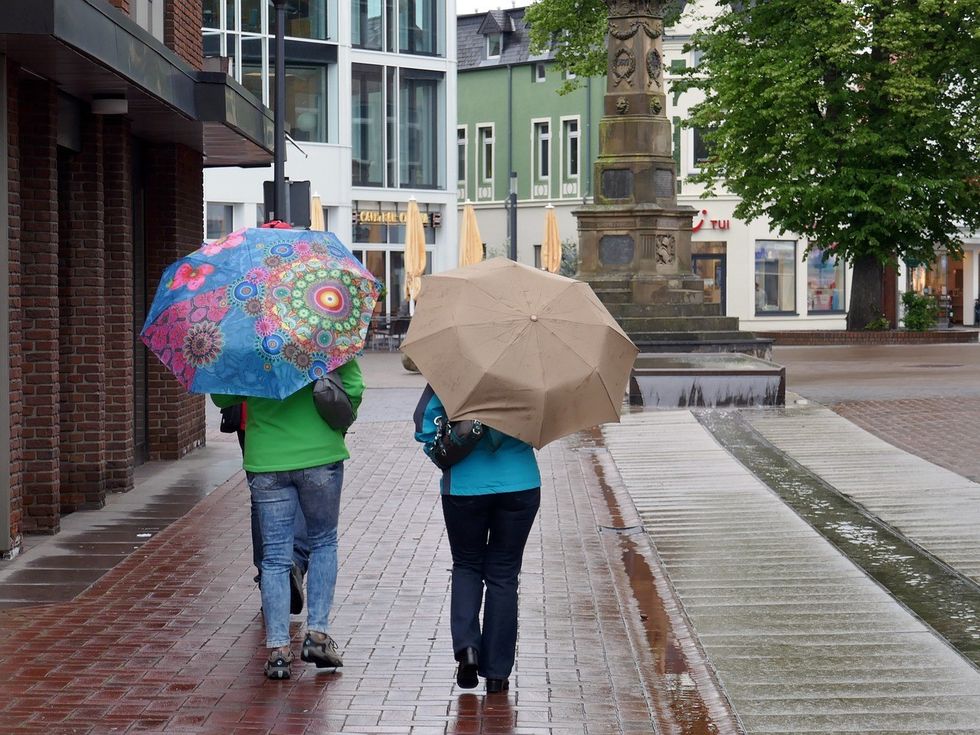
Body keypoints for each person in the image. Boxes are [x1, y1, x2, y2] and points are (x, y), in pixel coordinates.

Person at [211, 358, 364, 680]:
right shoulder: (324, 332)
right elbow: (353, 389)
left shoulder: (247, 341)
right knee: (323, 542)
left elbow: (223, 397)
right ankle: (318, 635)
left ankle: (279, 651)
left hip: (266, 458)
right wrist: (336, 427)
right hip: (321, 453)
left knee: (275, 557)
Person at [413, 384, 541, 694]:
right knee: (504, 576)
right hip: (521, 483)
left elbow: (423, 424)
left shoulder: (452, 371)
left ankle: (467, 648)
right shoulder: (529, 372)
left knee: (467, 565)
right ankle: (497, 673)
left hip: (465, 486)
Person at [221, 401, 311, 614]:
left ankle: (268, 577)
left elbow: (222, 394)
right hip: (293, 414)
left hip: (251, 416)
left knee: (260, 499)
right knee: (300, 490)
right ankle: (293, 561)